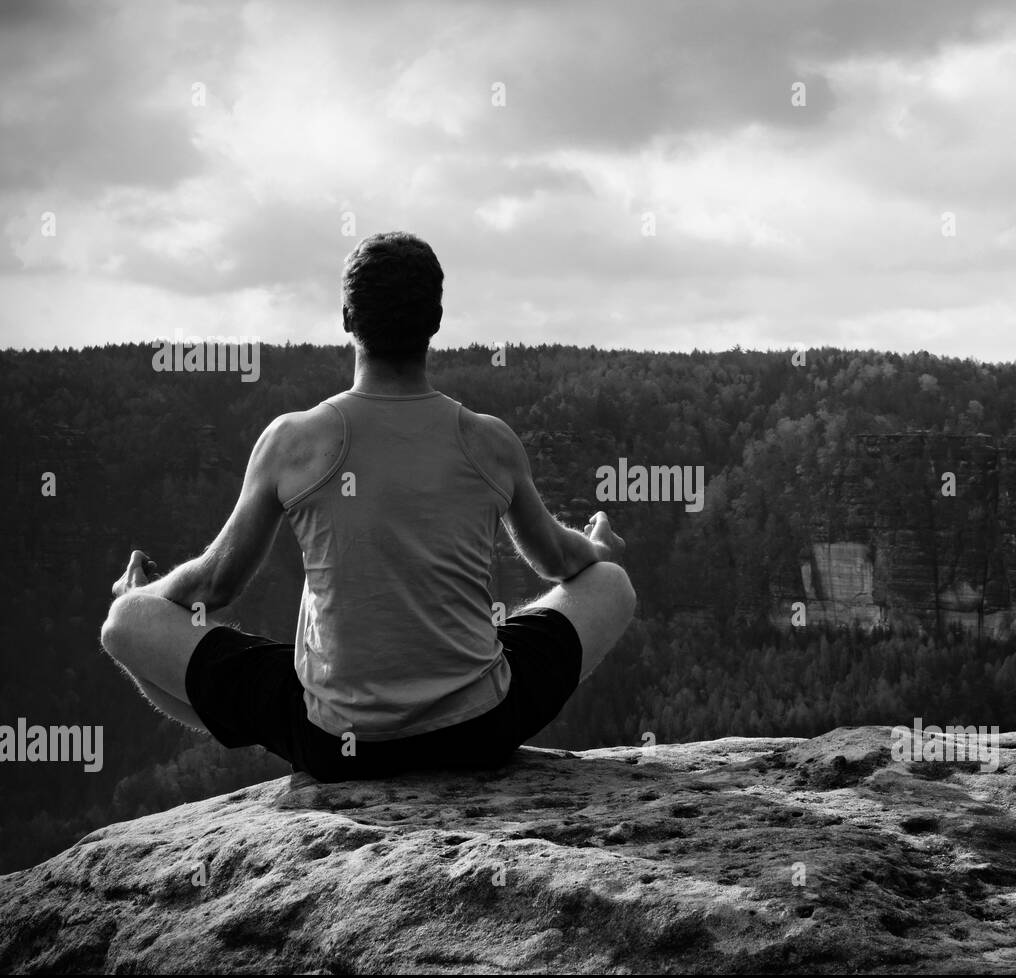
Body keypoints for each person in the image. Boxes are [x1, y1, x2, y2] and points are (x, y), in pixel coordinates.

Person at [100, 231, 635, 782]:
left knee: (123, 623)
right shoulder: (489, 441)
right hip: (480, 732)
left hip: (339, 744)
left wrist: (144, 596)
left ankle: (273, 732)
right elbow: (557, 562)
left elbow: (215, 585)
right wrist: (596, 550)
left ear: (347, 319)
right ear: (437, 319)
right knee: (611, 582)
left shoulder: (293, 442)